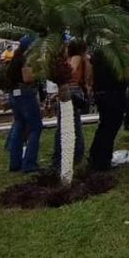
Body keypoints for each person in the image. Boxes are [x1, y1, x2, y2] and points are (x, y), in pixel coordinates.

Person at [88, 44, 128, 171]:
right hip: (114, 93)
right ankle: (103, 162)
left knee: (104, 126)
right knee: (110, 128)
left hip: (101, 92)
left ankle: (96, 157)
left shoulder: (99, 52)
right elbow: (128, 74)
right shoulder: (118, 54)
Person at [53, 39, 89, 173]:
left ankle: (72, 154)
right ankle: (73, 154)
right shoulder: (79, 58)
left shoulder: (75, 58)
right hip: (73, 91)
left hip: (72, 91)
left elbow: (70, 72)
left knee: (71, 124)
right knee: (72, 124)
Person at [7, 35, 42, 173]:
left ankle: (15, 162)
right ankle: (29, 163)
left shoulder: (15, 59)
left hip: (14, 94)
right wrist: (40, 73)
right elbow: (27, 77)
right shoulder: (26, 59)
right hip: (25, 94)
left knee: (19, 125)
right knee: (36, 127)